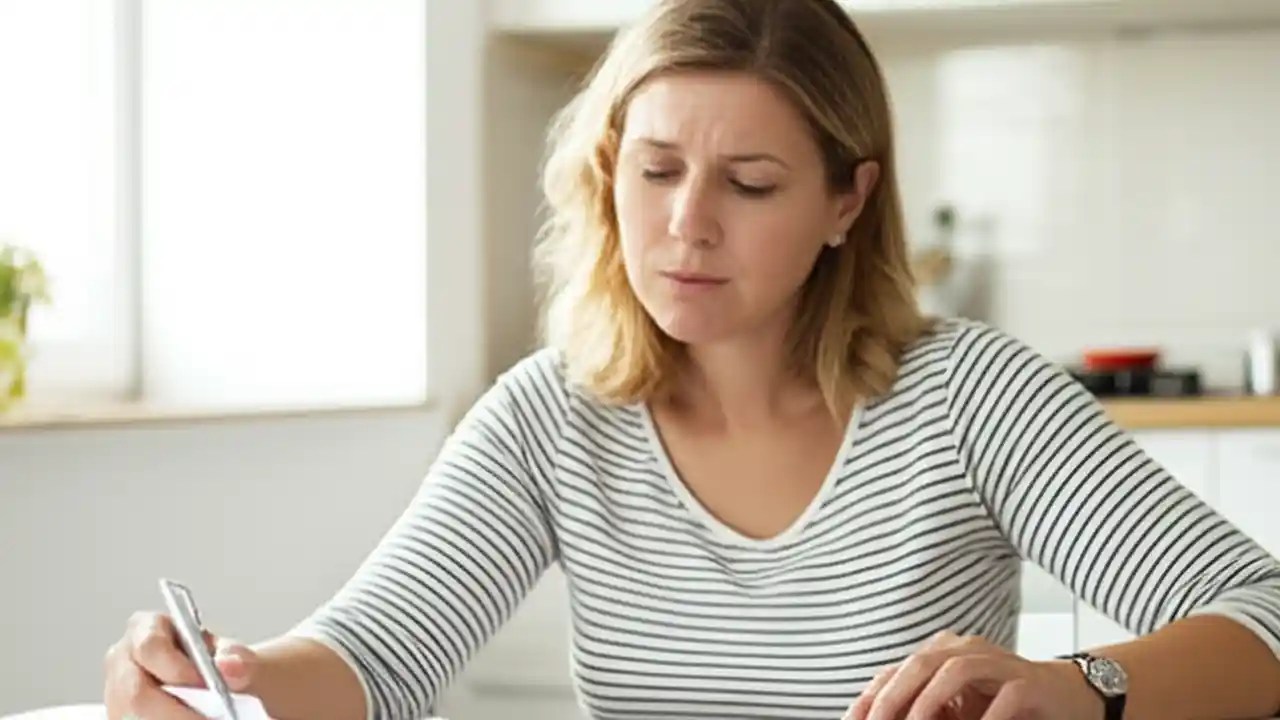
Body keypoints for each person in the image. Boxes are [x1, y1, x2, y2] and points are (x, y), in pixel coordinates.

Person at [103, 0, 1280, 718]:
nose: (685, 224)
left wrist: (1082, 689)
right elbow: (369, 660)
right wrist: (220, 687)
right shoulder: (549, 419)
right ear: (606, 171)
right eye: (655, 170)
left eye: (749, 183)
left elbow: (1264, 615)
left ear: (843, 201)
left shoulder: (966, 399)